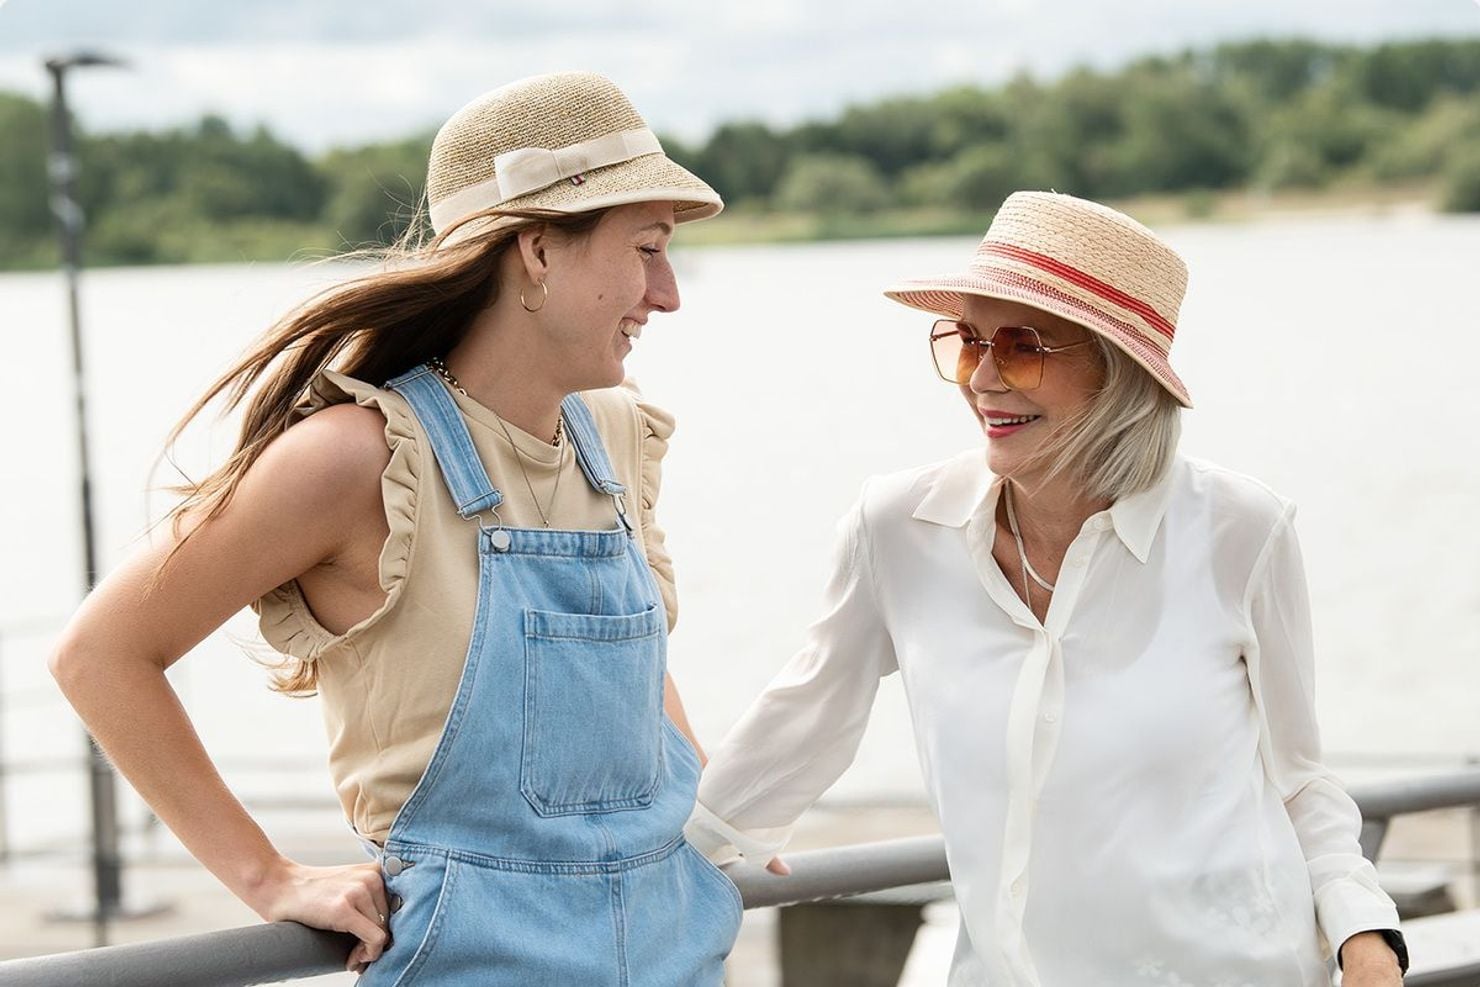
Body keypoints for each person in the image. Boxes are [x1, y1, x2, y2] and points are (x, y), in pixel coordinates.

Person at [49, 71, 742, 985]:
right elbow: (100, 655)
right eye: (648, 248)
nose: (668, 293)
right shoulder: (358, 458)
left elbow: (636, 674)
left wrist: (715, 821)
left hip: (675, 951)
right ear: (537, 250)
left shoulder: (611, 434)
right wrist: (269, 876)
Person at [686, 191, 1408, 985]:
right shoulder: (897, 528)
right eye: (968, 342)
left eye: (1022, 347)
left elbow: (1299, 775)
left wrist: (1365, 938)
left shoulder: (1243, 530)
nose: (984, 378)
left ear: (1117, 372)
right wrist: (668, 857)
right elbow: (805, 714)